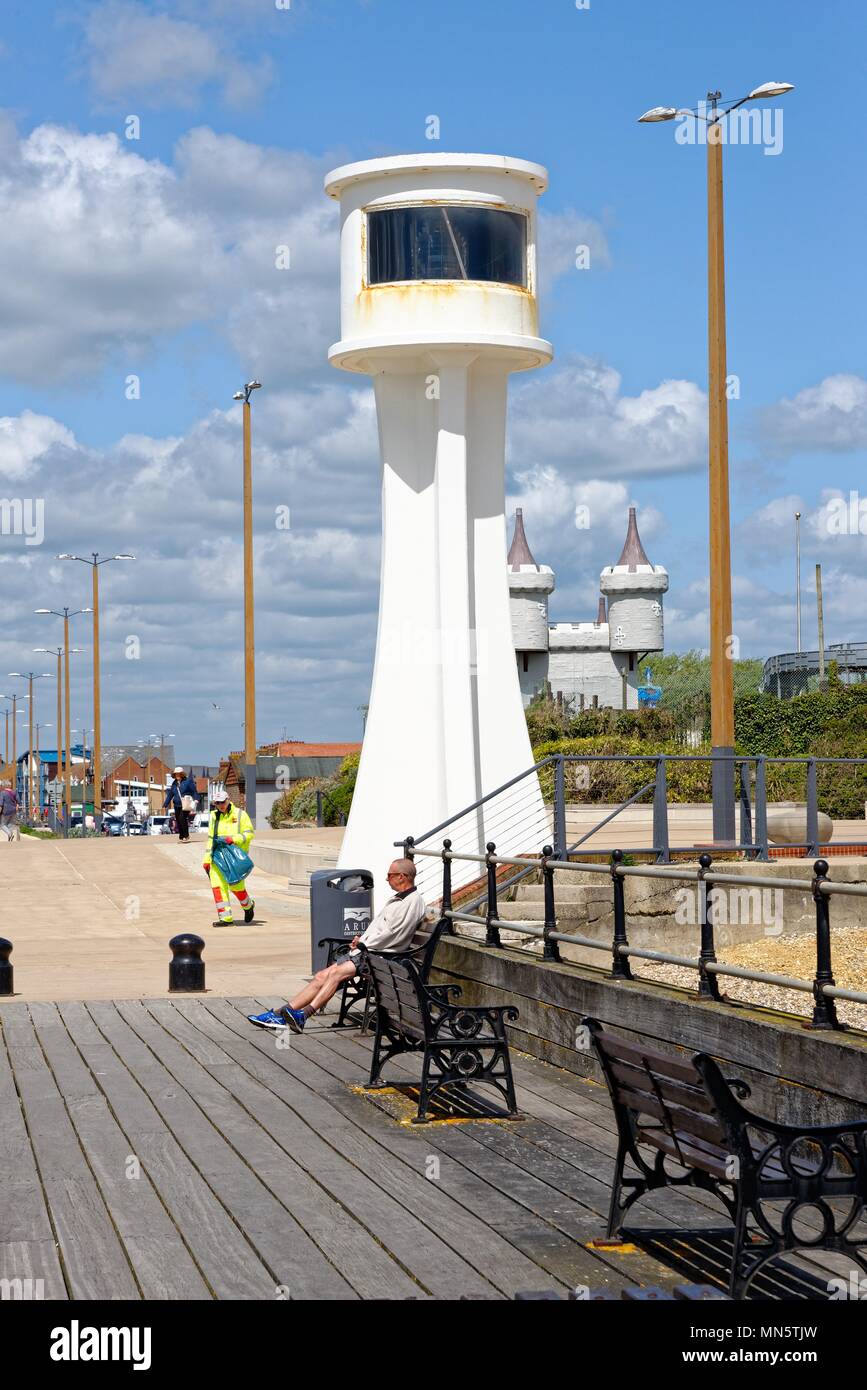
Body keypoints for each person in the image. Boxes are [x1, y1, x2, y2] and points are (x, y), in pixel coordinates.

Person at [248, 857, 425, 1032]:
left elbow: (393, 933)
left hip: (381, 956)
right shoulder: (400, 899)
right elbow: (384, 930)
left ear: (402, 876)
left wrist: (363, 943)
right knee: (321, 975)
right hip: (369, 951)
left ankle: (304, 1015)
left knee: (336, 974)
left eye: (390, 875)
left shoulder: (412, 901)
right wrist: (361, 940)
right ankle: (279, 1015)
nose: (387, 879)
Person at [203, 784, 255, 927]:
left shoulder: (240, 815)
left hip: (235, 856)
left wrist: (234, 839)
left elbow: (249, 834)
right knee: (217, 886)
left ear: (228, 800)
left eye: (222, 802)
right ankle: (225, 918)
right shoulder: (214, 817)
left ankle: (248, 906)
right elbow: (210, 838)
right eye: (217, 803)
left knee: (236, 887)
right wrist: (206, 859)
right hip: (217, 855)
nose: (220, 806)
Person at [163, 765, 199, 843]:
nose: (177, 775)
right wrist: (165, 804)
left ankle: (186, 836)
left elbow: (194, 791)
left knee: (182, 819)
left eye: (179, 774)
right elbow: (170, 794)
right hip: (177, 805)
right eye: (176, 774)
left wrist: (196, 799)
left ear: (182, 774)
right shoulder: (174, 783)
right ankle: (182, 836)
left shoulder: (188, 781)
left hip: (185, 804)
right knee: (178, 821)